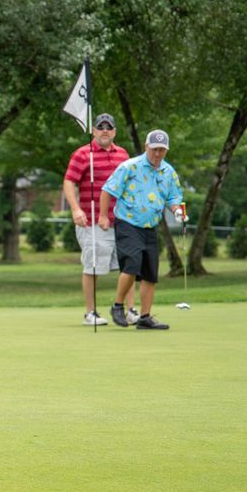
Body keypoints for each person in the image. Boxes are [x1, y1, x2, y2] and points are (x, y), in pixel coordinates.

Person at [98, 129, 184, 330]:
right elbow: (107, 190)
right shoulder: (130, 166)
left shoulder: (169, 172)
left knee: (150, 272)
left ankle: (145, 317)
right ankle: (117, 306)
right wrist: (102, 216)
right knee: (132, 264)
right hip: (128, 223)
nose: (158, 153)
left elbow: (173, 198)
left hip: (150, 226)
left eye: (162, 150)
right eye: (154, 149)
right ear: (146, 147)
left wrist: (177, 211)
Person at [63, 112, 139, 326]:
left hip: (122, 220)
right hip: (92, 221)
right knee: (93, 266)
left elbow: (129, 184)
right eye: (100, 127)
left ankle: (129, 310)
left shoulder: (123, 154)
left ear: (114, 131)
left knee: (129, 266)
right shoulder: (82, 154)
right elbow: (69, 182)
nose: (105, 131)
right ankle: (90, 313)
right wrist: (75, 209)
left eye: (109, 127)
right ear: (94, 130)